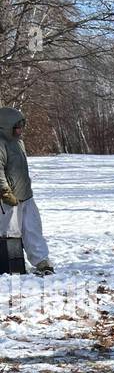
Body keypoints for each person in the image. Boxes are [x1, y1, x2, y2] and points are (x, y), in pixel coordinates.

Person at [0, 107, 54, 275]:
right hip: (8, 198)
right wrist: (4, 191)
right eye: (17, 126)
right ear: (6, 125)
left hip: (26, 195)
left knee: (33, 229)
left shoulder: (19, 142)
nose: (21, 129)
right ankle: (10, 265)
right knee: (9, 233)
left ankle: (42, 261)